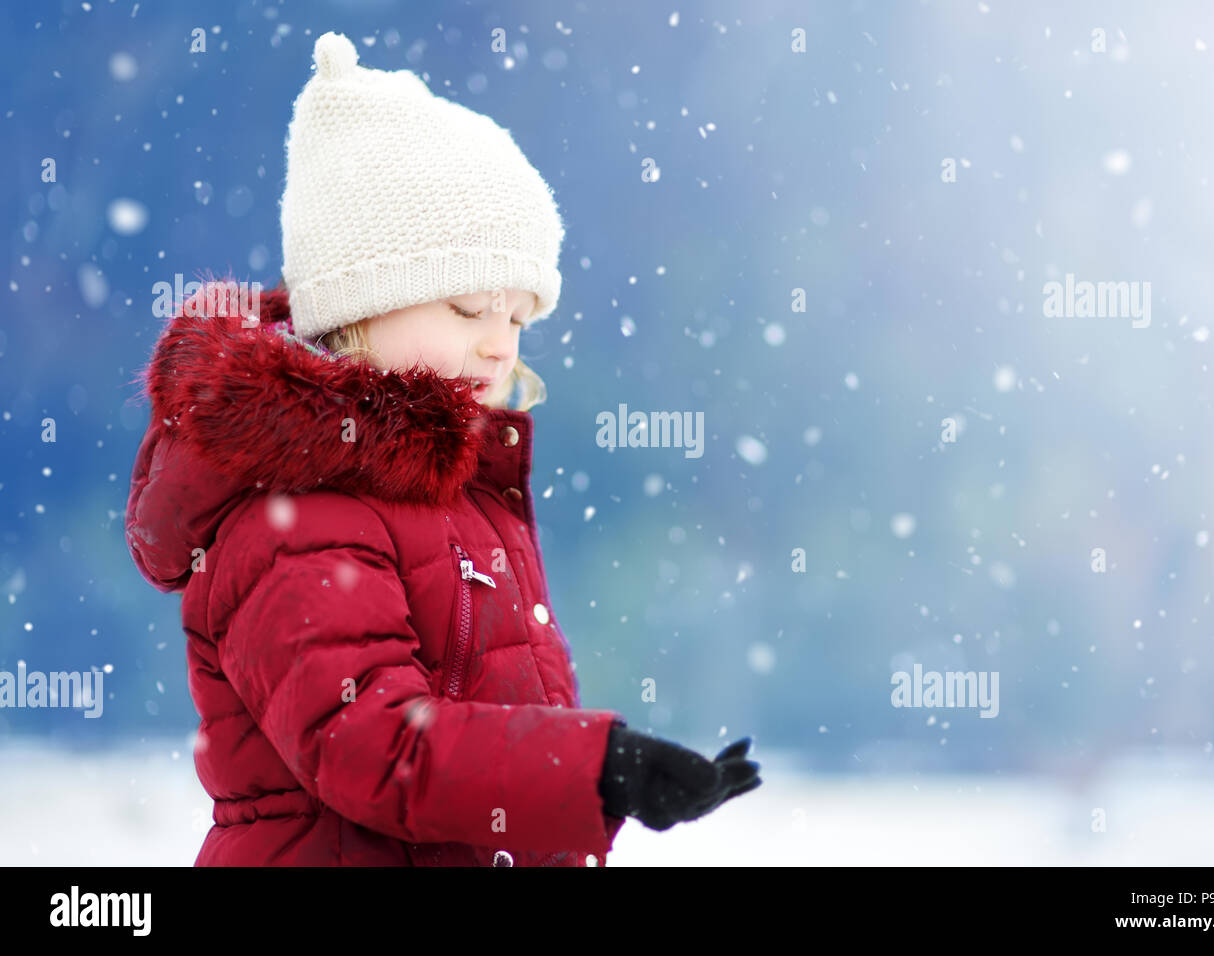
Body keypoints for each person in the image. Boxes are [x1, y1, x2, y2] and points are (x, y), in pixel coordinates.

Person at [123, 31, 760, 866]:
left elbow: (486, 738)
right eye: (467, 309)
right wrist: (598, 768)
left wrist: (608, 776)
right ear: (356, 307)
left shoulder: (461, 499)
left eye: (518, 317)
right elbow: (371, 746)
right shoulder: (294, 513)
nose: (500, 342)